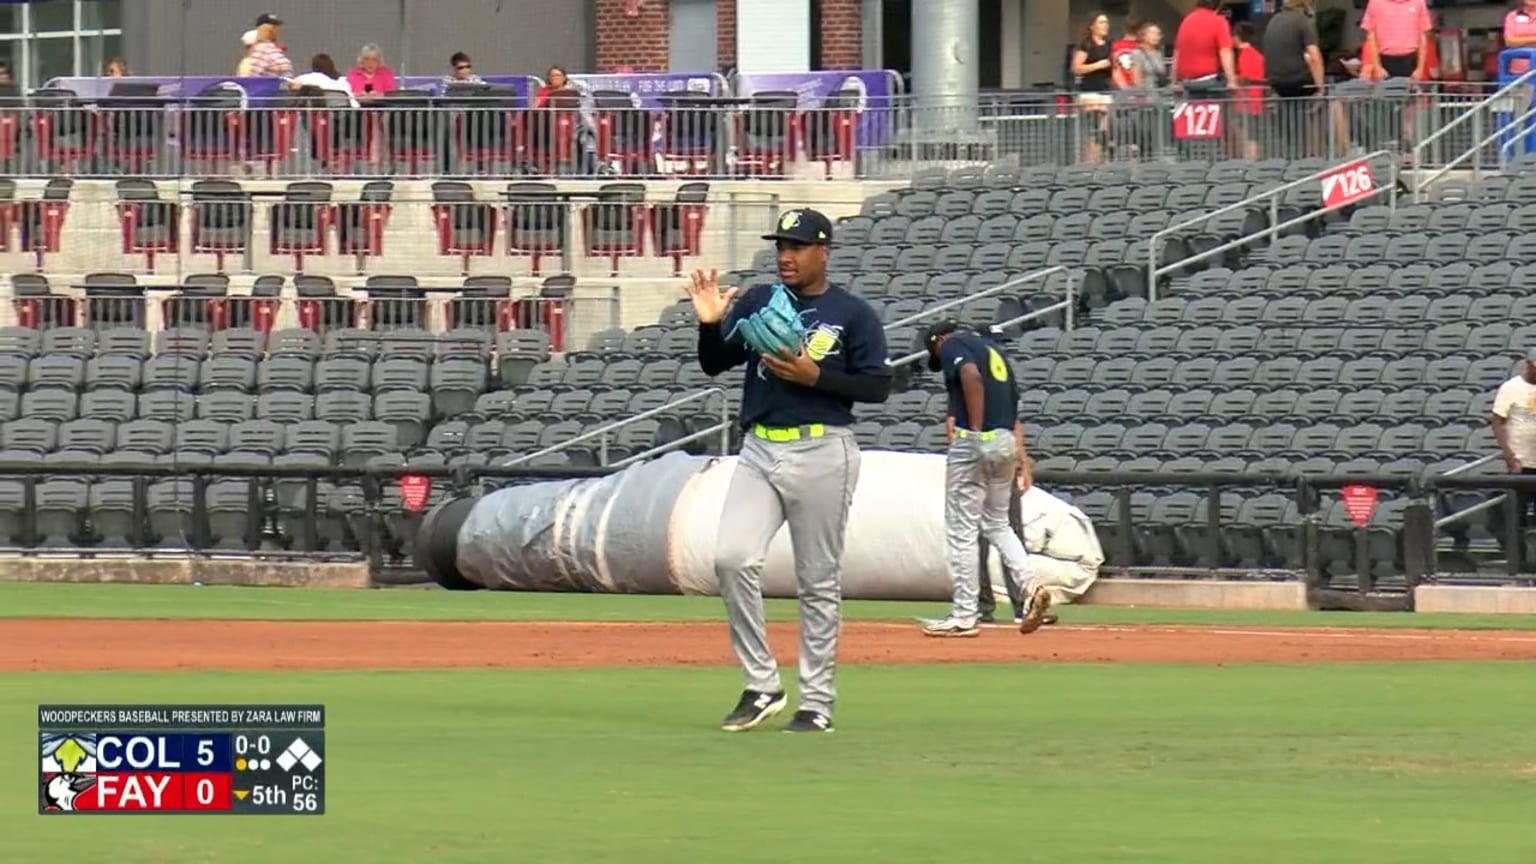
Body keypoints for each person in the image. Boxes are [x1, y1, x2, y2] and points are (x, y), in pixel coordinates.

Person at [688, 208, 891, 734]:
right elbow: (716, 364)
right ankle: (762, 685)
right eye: (781, 244)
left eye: (798, 245)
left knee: (818, 581)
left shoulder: (852, 314)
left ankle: (817, 701)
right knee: (731, 558)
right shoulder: (758, 299)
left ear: (823, 251)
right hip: (759, 448)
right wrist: (710, 324)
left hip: (824, 450)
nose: (786, 254)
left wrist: (814, 375)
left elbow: (876, 386)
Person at [917, 321, 1033, 639]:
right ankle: (1031, 586)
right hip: (1005, 439)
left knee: (962, 530)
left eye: (935, 351)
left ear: (938, 340)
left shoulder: (955, 343)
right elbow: (1013, 404)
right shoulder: (994, 350)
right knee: (998, 524)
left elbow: (969, 376)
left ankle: (965, 614)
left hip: (976, 438)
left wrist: (977, 433)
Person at [1016, 485, 1105, 633]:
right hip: (1052, 561)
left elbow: (1033, 544)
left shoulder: (1040, 503)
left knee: (1010, 561)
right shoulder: (1015, 499)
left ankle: (1029, 603)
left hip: (1072, 566)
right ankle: (1031, 603)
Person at [1261, 0, 1326, 159]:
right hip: (1297, 81)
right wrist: (1320, 88)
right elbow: (1314, 55)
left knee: (1292, 113)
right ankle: (1318, 154)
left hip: (1276, 82)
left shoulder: (1274, 20)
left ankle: (1294, 153)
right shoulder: (1303, 21)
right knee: (1329, 102)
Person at [1490, 349, 1536, 524]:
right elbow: (1497, 421)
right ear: (1529, 365)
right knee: (1518, 515)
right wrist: (1508, 453)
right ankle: (1519, 550)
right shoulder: (1511, 388)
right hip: (1521, 462)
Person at [1071, 13, 1115, 163]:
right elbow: (1076, 68)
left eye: (1106, 22)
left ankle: (1103, 161)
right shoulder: (1086, 44)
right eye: (1101, 22)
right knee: (1092, 129)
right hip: (1089, 90)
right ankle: (1090, 163)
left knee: (1105, 131)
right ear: (1092, 26)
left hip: (1105, 89)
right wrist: (1098, 65)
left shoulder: (1109, 44)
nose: (1105, 26)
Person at [1172, 0, 1238, 91]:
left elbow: (1177, 54)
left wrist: (1174, 81)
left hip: (1185, 83)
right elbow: (1225, 51)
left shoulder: (1186, 21)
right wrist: (1231, 81)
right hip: (1207, 82)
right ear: (1217, 7)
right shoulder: (1218, 21)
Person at [1359, 0, 1433, 80]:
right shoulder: (1375, 3)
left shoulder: (1418, 2)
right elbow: (1371, 36)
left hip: (1411, 61)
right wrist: (1377, 67)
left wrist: (1420, 69)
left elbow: (1423, 36)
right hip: (1384, 61)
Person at [1233, 22, 1266, 160]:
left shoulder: (1240, 56)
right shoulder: (1259, 56)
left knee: (1245, 134)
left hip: (1243, 101)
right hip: (1257, 101)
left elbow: (1243, 79)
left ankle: (1248, 163)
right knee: (1254, 135)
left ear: (1237, 37)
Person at [287, 54, 357, 105]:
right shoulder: (344, 80)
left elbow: (294, 85)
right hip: (350, 114)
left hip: (326, 115)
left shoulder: (314, 77)